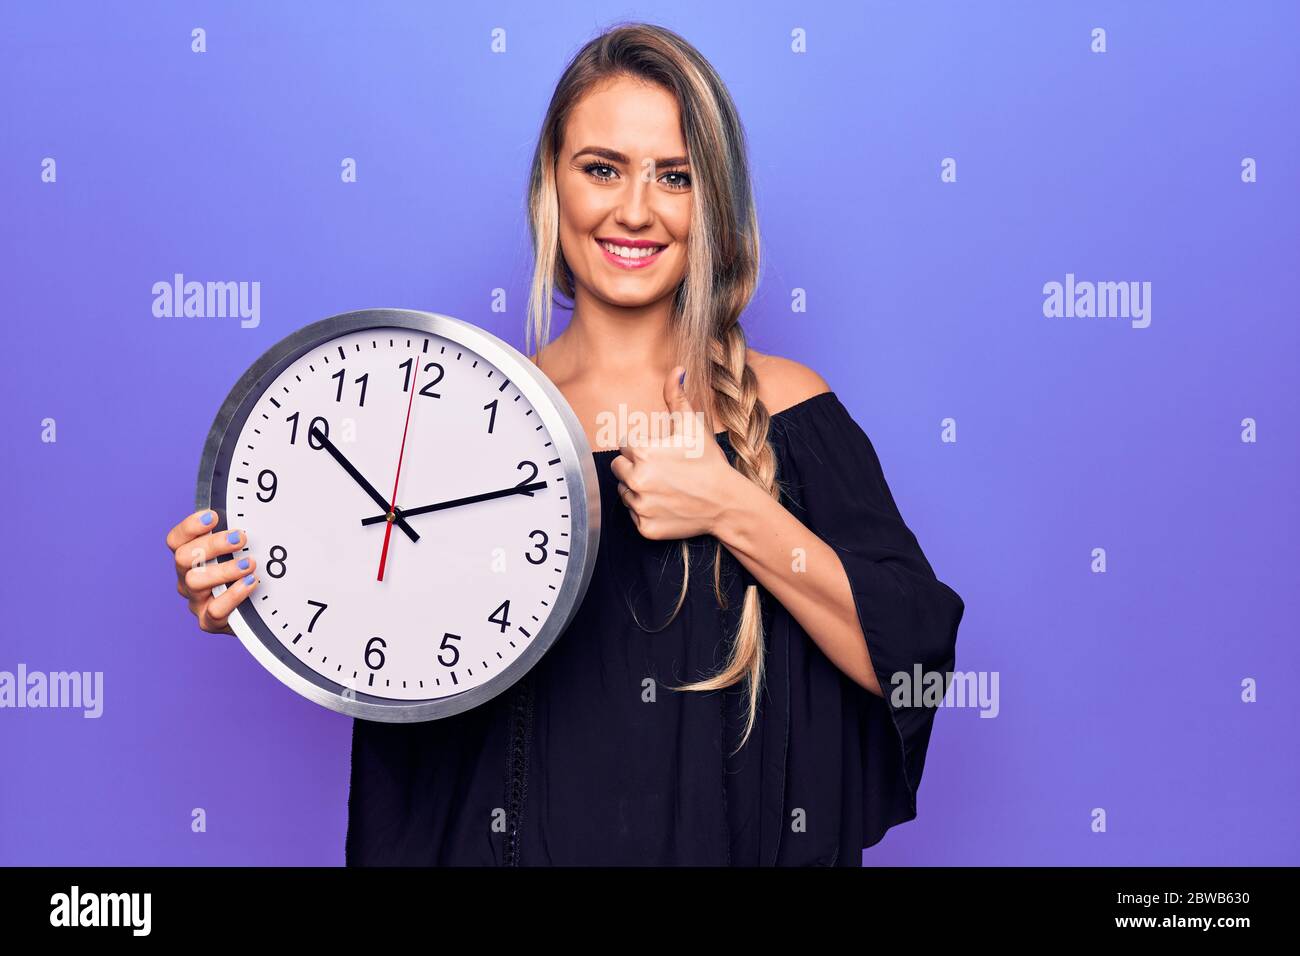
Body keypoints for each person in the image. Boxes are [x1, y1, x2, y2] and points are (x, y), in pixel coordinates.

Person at [165, 22, 964, 866]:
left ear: (716, 201)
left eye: (675, 177)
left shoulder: (790, 408)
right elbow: (384, 617)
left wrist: (731, 506)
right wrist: (257, 603)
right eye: (603, 169)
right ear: (553, 182)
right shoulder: (459, 419)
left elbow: (910, 659)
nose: (634, 210)